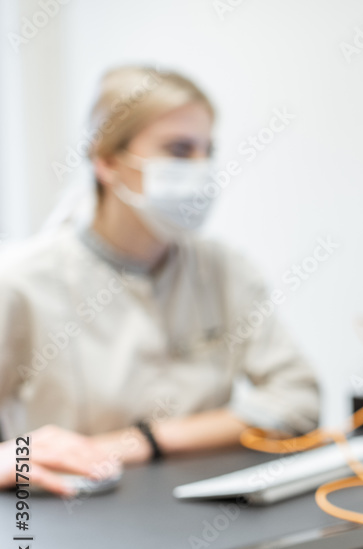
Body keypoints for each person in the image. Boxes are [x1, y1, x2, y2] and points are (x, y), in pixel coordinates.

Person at [0, 66, 321, 495]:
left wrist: (142, 442)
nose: (200, 169)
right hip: (72, 517)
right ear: (108, 161)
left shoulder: (222, 268)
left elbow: (297, 402)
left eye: (207, 151)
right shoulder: (21, 280)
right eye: (179, 150)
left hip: (202, 510)